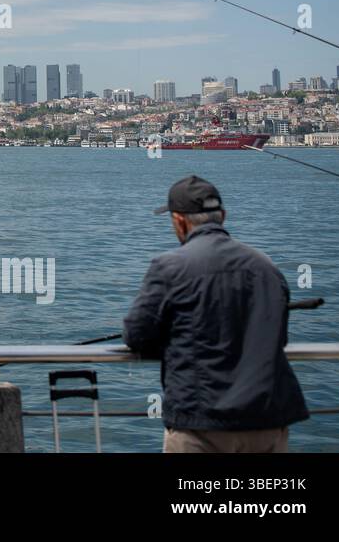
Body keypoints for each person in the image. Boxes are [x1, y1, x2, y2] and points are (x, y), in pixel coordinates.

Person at [123, 175, 308, 452]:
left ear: (179, 221)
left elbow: (137, 336)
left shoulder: (169, 267)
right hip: (268, 418)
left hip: (201, 423)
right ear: (222, 215)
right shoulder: (266, 266)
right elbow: (276, 336)